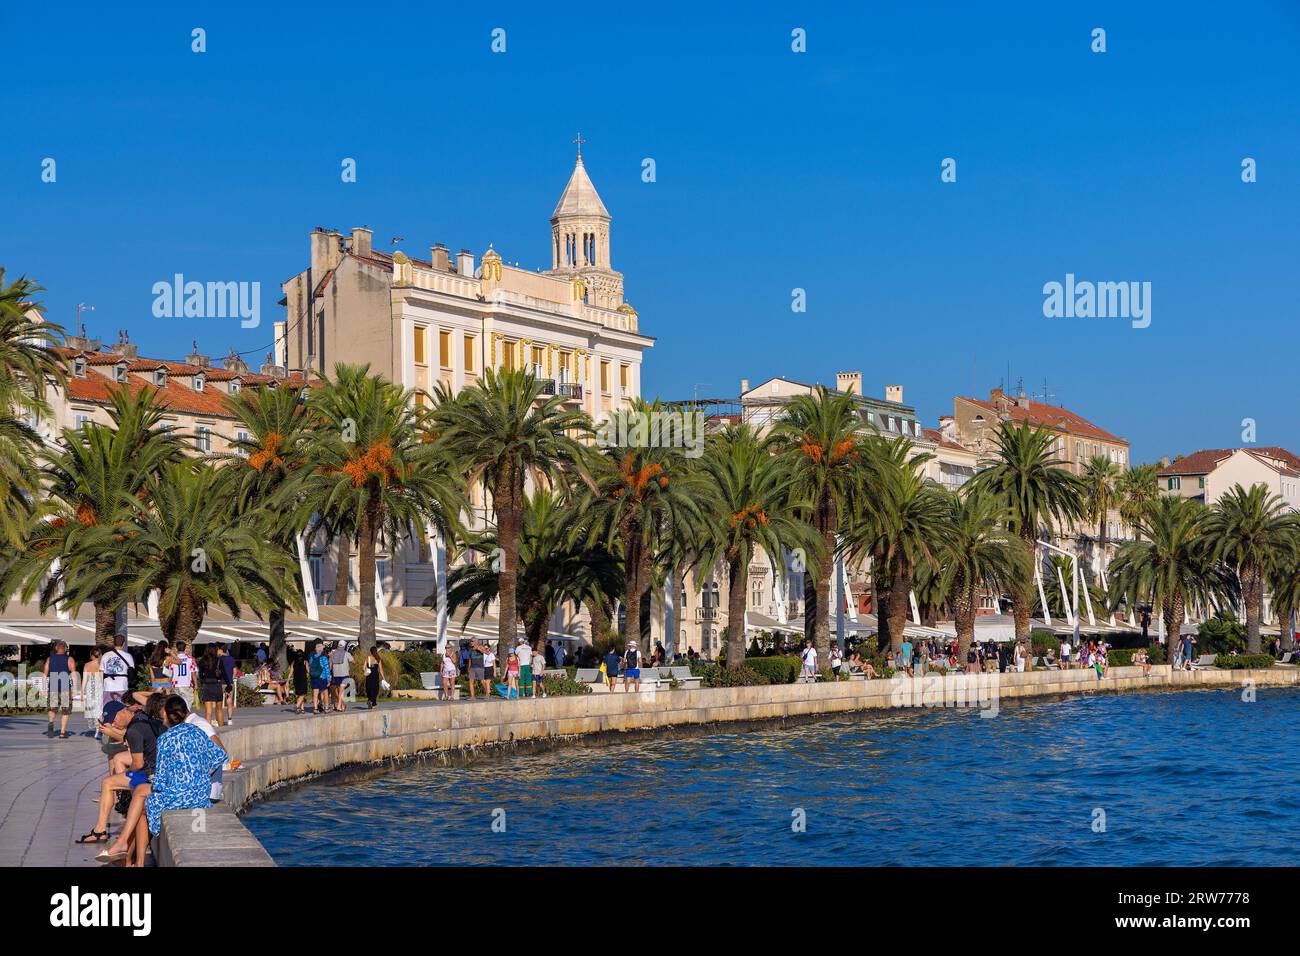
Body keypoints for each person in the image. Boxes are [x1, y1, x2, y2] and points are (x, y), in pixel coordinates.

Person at [134, 695, 227, 864]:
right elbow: (221, 755)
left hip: (179, 797)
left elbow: (161, 780)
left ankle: (136, 860)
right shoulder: (197, 731)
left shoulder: (165, 739)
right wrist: (200, 774)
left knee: (144, 805)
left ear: (168, 716)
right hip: (201, 796)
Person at [94, 691, 164, 864]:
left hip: (150, 774)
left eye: (115, 720)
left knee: (111, 783)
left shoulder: (134, 729)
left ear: (123, 712)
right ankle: (133, 859)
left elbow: (138, 763)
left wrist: (130, 775)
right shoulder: (143, 716)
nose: (114, 725)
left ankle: (103, 830)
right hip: (157, 770)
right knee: (112, 782)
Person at [43, 640, 78, 738]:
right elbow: (73, 674)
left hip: (53, 686)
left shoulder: (50, 659)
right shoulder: (70, 659)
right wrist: (75, 688)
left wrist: (44, 688)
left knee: (52, 709)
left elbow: (44, 674)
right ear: (66, 649)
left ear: (56, 648)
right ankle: (62, 733)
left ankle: (51, 722)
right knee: (65, 711)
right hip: (65, 687)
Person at [198, 645, 226, 726]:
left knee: (208, 711)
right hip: (217, 684)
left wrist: (204, 679)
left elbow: (200, 675)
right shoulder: (218, 661)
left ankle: (208, 730)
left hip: (207, 685)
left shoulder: (202, 661)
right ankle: (222, 728)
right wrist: (228, 684)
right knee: (219, 709)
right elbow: (224, 674)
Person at [82, 647, 104, 737]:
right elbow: (102, 678)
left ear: (91, 655)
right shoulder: (101, 664)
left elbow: (84, 679)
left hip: (90, 688)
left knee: (93, 709)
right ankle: (99, 730)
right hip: (99, 687)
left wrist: (82, 692)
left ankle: (97, 729)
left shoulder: (87, 665)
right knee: (99, 709)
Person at [169, 641, 195, 709]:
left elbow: (170, 673)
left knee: (177, 704)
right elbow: (193, 672)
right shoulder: (190, 659)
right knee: (188, 703)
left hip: (176, 683)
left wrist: (169, 684)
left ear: (177, 648)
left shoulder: (173, 659)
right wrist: (196, 684)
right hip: (186, 683)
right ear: (185, 648)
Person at [330, 641, 353, 711]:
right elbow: (353, 660)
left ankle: (342, 706)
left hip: (336, 674)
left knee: (339, 691)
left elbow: (330, 664)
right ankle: (339, 706)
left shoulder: (333, 654)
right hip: (344, 674)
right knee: (341, 691)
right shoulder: (346, 653)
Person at [309, 642, 332, 713]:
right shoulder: (324, 657)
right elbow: (327, 669)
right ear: (321, 649)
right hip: (322, 677)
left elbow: (310, 666)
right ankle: (326, 708)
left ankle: (315, 708)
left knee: (315, 694)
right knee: (325, 693)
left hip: (314, 677)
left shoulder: (312, 657)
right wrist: (328, 679)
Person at [218, 645, 237, 723]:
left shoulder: (218, 659)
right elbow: (235, 671)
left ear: (221, 650)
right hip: (229, 683)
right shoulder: (231, 659)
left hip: (220, 683)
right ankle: (229, 719)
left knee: (218, 702)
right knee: (229, 701)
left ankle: (219, 719)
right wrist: (231, 679)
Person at [291, 649, 310, 714]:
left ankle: (302, 709)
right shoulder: (305, 662)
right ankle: (297, 706)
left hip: (296, 680)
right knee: (303, 694)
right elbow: (308, 671)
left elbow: (291, 672)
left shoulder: (294, 662)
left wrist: (287, 680)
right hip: (303, 679)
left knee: (299, 694)